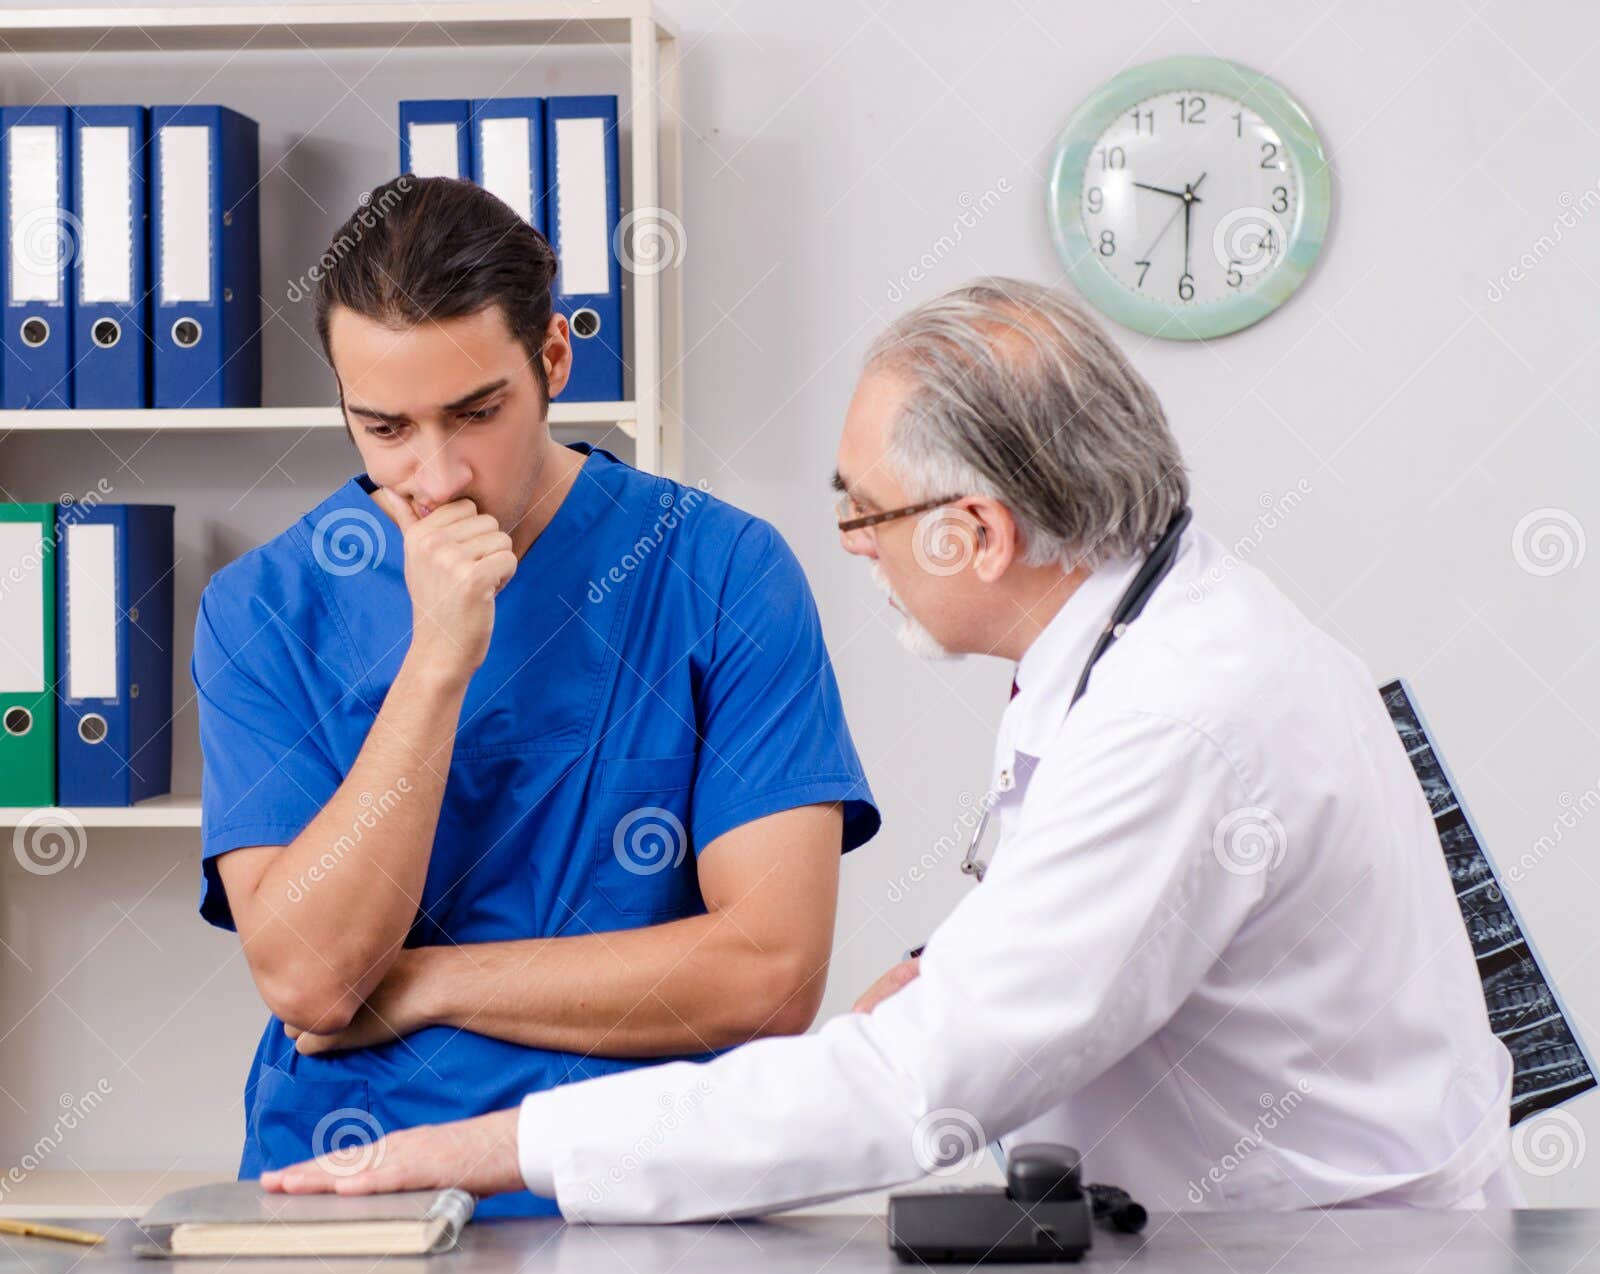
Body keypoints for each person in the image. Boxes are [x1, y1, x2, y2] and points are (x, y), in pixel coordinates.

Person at [263, 278, 1519, 1219]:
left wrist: (486, 1146)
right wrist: (952, 968)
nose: (851, 542)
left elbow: (916, 1092)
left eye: (866, 507)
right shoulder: (1160, 633)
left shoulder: (1176, 712)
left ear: (975, 531)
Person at [193, 176, 878, 1216]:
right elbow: (315, 985)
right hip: (349, 1192)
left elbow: (770, 976)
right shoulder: (265, 610)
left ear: (552, 358)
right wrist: (435, 666)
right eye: (385, 429)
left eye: (476, 414)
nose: (438, 477)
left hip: (641, 1190)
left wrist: (429, 984)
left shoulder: (721, 571)